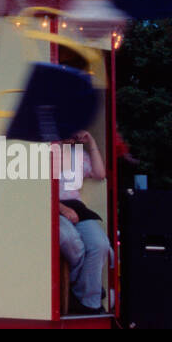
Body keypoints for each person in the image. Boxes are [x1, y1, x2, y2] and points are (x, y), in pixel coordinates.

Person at [55, 129, 111, 315]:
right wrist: (62, 209)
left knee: (100, 245)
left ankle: (89, 302)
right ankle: (82, 290)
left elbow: (100, 174)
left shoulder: (78, 154)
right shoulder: (42, 152)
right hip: (49, 206)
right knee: (72, 241)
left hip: (76, 206)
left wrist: (92, 141)